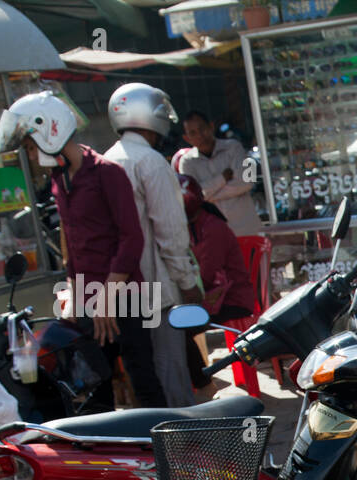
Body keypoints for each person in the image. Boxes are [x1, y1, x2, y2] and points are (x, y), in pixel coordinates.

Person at [0, 91, 166, 408]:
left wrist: (106, 299)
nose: (31, 156)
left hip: (127, 294)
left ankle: (163, 452)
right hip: (87, 297)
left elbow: (132, 239)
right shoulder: (60, 179)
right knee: (93, 388)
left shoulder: (108, 173)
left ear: (51, 131)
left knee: (143, 380)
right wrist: (74, 295)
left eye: (31, 147)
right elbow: (70, 243)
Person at [105, 83, 203, 408]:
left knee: (143, 378)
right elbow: (171, 231)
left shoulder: (107, 160)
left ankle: (154, 442)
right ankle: (182, 444)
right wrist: (188, 283)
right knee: (171, 374)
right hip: (158, 290)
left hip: (122, 290)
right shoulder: (151, 162)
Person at [179, 175, 254, 392]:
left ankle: (203, 385)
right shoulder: (197, 224)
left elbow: (206, 275)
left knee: (177, 329)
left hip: (232, 299)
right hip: (213, 296)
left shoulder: (212, 228)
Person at [180, 111, 264, 237]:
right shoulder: (186, 162)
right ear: (186, 138)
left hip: (247, 229)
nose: (200, 136)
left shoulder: (235, 147)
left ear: (211, 126)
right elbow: (195, 197)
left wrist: (208, 194)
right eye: (193, 133)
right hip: (215, 235)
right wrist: (222, 178)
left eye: (202, 129)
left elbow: (247, 182)